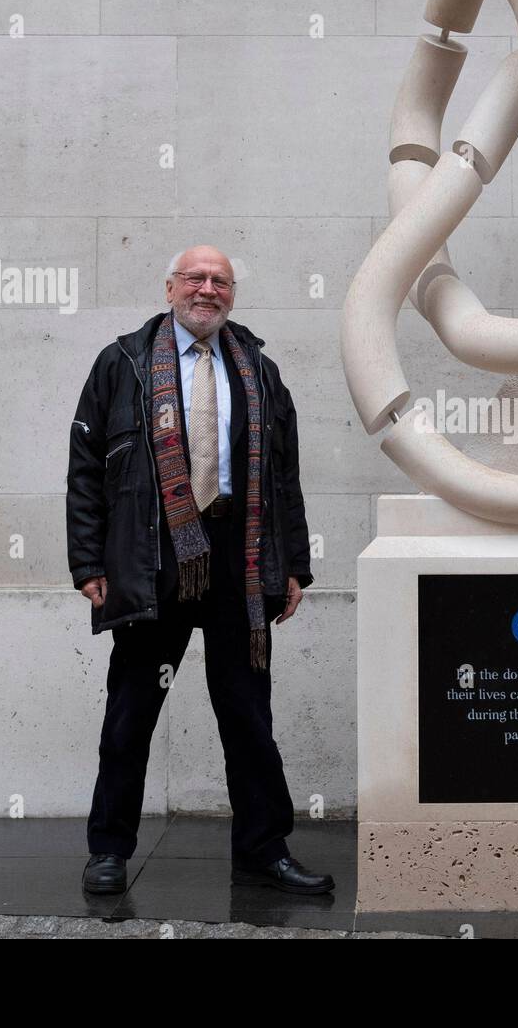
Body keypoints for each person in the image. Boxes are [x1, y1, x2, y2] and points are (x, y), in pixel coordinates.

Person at [66, 244, 333, 896]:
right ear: (170, 288)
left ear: (231, 295)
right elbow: (84, 469)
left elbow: (284, 476)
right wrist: (88, 560)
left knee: (248, 715)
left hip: (239, 562)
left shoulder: (260, 371)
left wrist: (294, 563)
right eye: (196, 278)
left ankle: (262, 849)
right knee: (130, 715)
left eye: (219, 281)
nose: (207, 289)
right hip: (151, 562)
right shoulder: (123, 363)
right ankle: (108, 850)